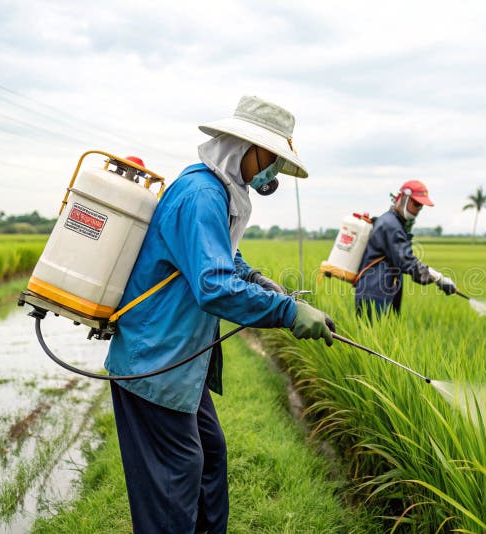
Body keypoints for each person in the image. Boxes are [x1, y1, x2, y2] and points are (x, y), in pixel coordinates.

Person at [104, 95, 333, 534]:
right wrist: (287, 311)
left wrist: (259, 279)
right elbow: (212, 285)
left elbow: (223, 255)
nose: (275, 172)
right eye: (274, 160)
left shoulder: (219, 191)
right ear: (247, 148)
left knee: (209, 458)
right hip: (155, 362)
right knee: (176, 481)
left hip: (182, 362)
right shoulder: (201, 193)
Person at [354, 180, 457, 319]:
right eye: (416, 203)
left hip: (382, 289)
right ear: (403, 198)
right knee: (371, 338)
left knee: (386, 336)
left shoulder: (393, 222)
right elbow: (406, 261)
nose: (418, 209)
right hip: (375, 292)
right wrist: (438, 278)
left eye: (421, 205)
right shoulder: (390, 225)